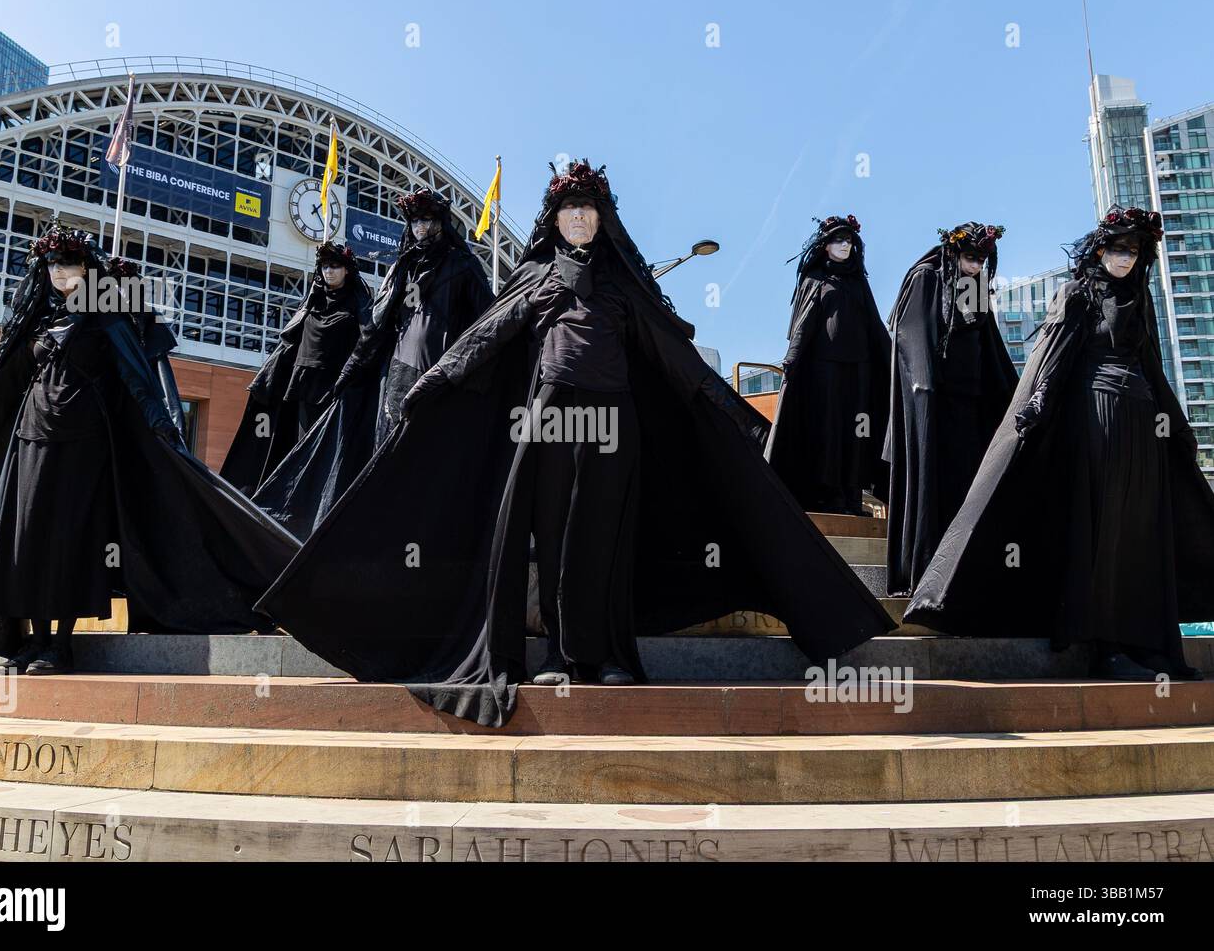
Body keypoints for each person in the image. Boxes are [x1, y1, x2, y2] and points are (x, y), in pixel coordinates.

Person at [258, 160, 894, 727]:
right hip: (548, 421)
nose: (580, 218)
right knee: (557, 534)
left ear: (603, 217)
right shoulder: (534, 277)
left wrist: (731, 407)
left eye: (589, 209)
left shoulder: (623, 286)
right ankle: (561, 655)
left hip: (615, 421)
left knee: (606, 537)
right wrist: (435, 379)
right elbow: (486, 338)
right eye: (569, 209)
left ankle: (610, 654)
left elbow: (674, 359)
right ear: (555, 219)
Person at [0, 221, 299, 673]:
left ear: (86, 268)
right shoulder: (36, 318)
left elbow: (136, 374)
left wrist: (159, 421)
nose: (61, 275)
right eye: (54, 266)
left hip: (84, 445)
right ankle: (32, 642)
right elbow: (3, 384)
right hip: (31, 442)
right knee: (26, 541)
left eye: (70, 266)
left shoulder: (105, 313)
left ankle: (60, 644)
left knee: (70, 543)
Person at [905, 206, 1214, 681]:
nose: (1125, 258)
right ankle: (1105, 646)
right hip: (1098, 421)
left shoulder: (1139, 299)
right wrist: (1034, 407)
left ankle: (1152, 648)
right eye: (1117, 248)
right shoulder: (1076, 294)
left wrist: (1177, 425)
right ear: (1099, 248)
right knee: (1105, 532)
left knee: (1142, 536)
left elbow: (1153, 365)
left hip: (1142, 424)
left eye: (1133, 251)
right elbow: (1051, 360)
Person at [882, 222, 1017, 596]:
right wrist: (924, 391)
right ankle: (924, 570)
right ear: (953, 252)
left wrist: (1009, 392)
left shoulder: (973, 287)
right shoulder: (926, 278)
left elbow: (984, 341)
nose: (975, 266)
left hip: (968, 403)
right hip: (934, 405)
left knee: (967, 485)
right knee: (932, 485)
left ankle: (962, 569)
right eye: (969, 257)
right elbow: (912, 336)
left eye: (982, 260)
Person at [332, 188, 493, 447]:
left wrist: (458, 369)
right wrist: (351, 369)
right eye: (415, 220)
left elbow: (488, 321)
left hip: (441, 374)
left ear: (441, 223)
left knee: (430, 452)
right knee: (388, 450)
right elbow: (377, 326)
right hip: (398, 372)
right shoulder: (404, 268)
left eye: (426, 219)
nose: (420, 226)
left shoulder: (463, 265)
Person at [221, 242, 373, 497]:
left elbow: (368, 342)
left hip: (338, 389)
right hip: (303, 386)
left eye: (335, 266)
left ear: (347, 270)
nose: (329, 272)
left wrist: (349, 377)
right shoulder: (312, 301)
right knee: (299, 447)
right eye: (325, 266)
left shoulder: (357, 305)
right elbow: (289, 341)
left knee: (329, 452)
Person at [765, 215, 890, 515]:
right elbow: (804, 325)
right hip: (825, 369)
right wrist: (792, 360)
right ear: (825, 246)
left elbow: (874, 325)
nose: (844, 245)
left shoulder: (859, 282)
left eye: (848, 240)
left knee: (858, 433)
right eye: (838, 239)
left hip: (859, 369)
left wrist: (896, 360)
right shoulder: (815, 280)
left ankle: (852, 496)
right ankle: (829, 495)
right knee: (829, 430)